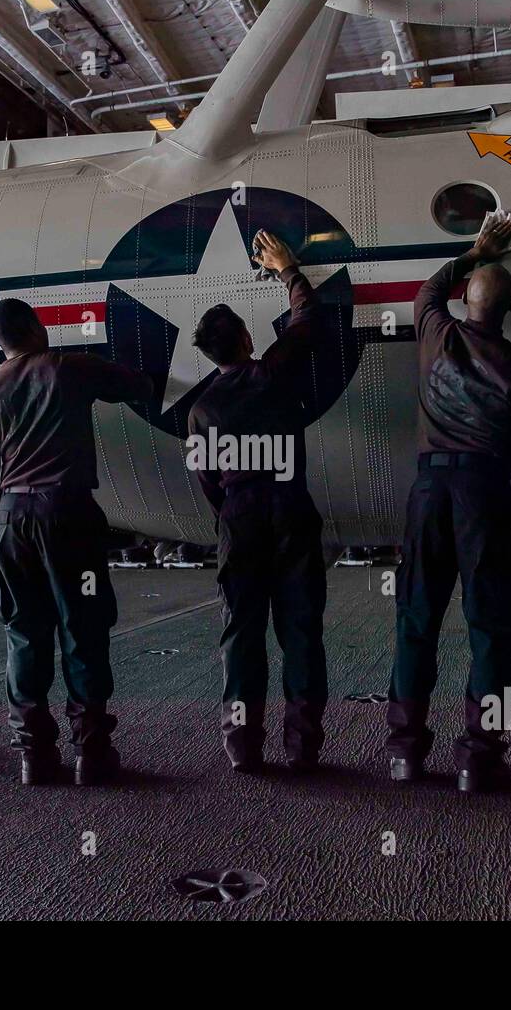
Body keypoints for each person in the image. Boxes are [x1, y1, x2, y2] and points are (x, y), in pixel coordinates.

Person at [387, 212, 511, 790]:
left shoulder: (435, 329)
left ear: (466, 301)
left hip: (428, 492)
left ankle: (405, 755)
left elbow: (429, 287)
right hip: (486, 499)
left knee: (416, 623)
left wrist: (475, 252)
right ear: (510, 309)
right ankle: (479, 760)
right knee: (492, 630)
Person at [0, 298, 153, 786]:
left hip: (10, 521)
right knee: (83, 627)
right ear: (34, 327)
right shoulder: (69, 367)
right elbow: (136, 386)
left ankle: (34, 756)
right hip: (67, 514)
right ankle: (91, 753)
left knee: (24, 635)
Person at [187, 230, 330, 774]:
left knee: (241, 634)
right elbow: (306, 319)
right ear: (247, 339)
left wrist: (230, 517)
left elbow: (207, 482)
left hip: (239, 516)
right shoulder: (271, 374)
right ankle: (303, 748)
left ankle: (242, 747)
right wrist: (288, 271)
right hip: (289, 505)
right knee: (300, 631)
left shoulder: (200, 411)